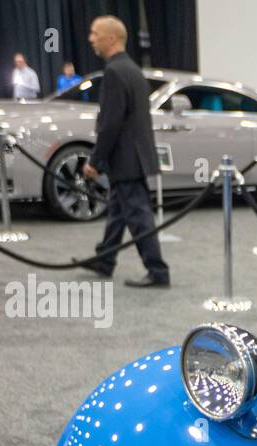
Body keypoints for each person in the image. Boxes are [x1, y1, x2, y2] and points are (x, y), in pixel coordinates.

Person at [81, 16, 169, 288]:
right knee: (118, 212)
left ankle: (157, 271)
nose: (90, 38)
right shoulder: (132, 69)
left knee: (139, 218)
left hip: (126, 160)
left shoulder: (115, 72)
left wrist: (96, 160)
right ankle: (105, 260)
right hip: (133, 158)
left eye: (95, 33)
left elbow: (111, 122)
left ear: (111, 38)